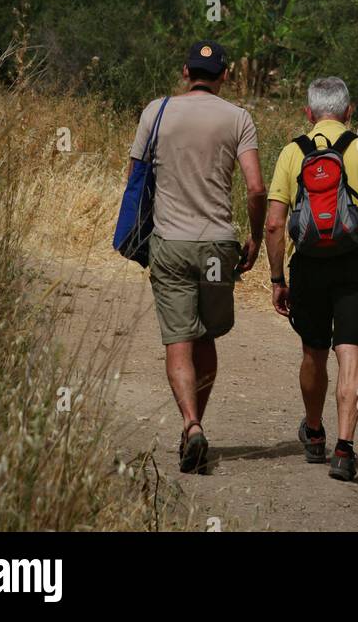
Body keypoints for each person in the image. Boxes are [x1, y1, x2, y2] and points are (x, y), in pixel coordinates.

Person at [128, 41, 266, 473]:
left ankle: (190, 425)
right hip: (216, 248)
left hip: (169, 245)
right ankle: (197, 422)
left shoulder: (157, 112)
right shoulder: (238, 118)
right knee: (206, 334)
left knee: (178, 339)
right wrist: (256, 239)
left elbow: (135, 178)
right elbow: (256, 188)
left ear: (186, 72)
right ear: (225, 76)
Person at [265, 77, 358, 482]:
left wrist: (277, 278)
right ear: (349, 111)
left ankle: (315, 433)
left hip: (308, 264)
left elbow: (273, 224)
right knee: (351, 354)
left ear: (308, 113)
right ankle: (345, 448)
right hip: (354, 265)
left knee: (313, 352)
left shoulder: (292, 152)